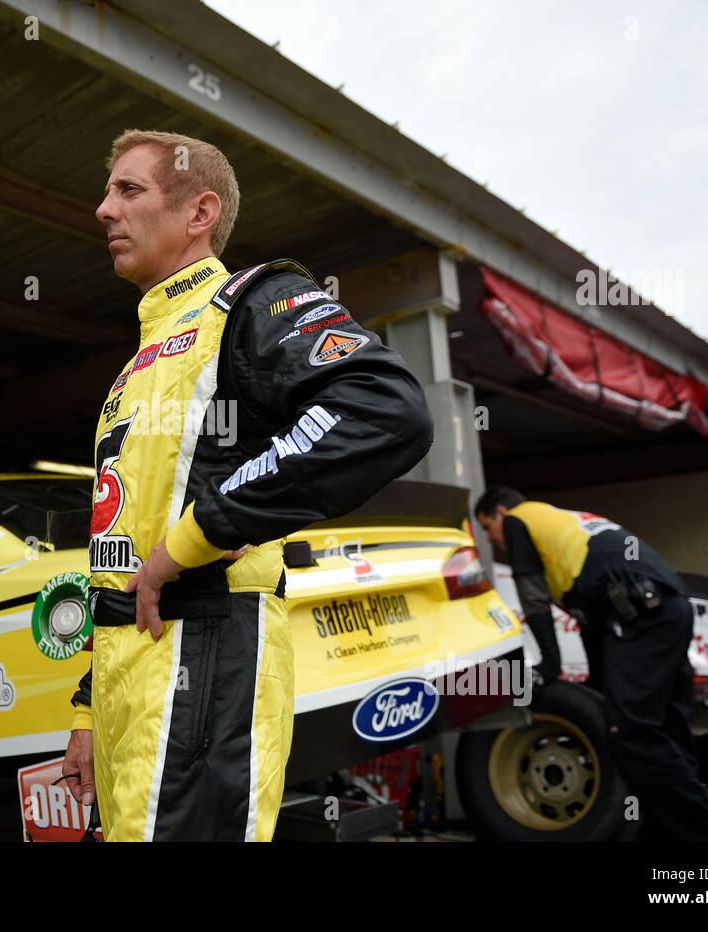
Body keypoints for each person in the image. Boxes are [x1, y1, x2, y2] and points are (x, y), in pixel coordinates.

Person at [58, 130, 434, 841]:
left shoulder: (249, 302)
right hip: (123, 684)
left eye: (129, 190)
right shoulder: (135, 366)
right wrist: (86, 709)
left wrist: (207, 529)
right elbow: (120, 549)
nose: (103, 209)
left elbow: (384, 409)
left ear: (199, 213)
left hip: (208, 651)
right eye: (107, 193)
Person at [475, 487, 708, 841]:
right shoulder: (562, 522)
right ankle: (668, 831)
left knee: (632, 732)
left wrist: (550, 665)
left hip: (639, 613)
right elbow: (593, 623)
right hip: (669, 606)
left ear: (500, 513)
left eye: (487, 528)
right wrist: (592, 690)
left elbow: (533, 598)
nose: (492, 540)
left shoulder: (518, 521)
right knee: (668, 728)